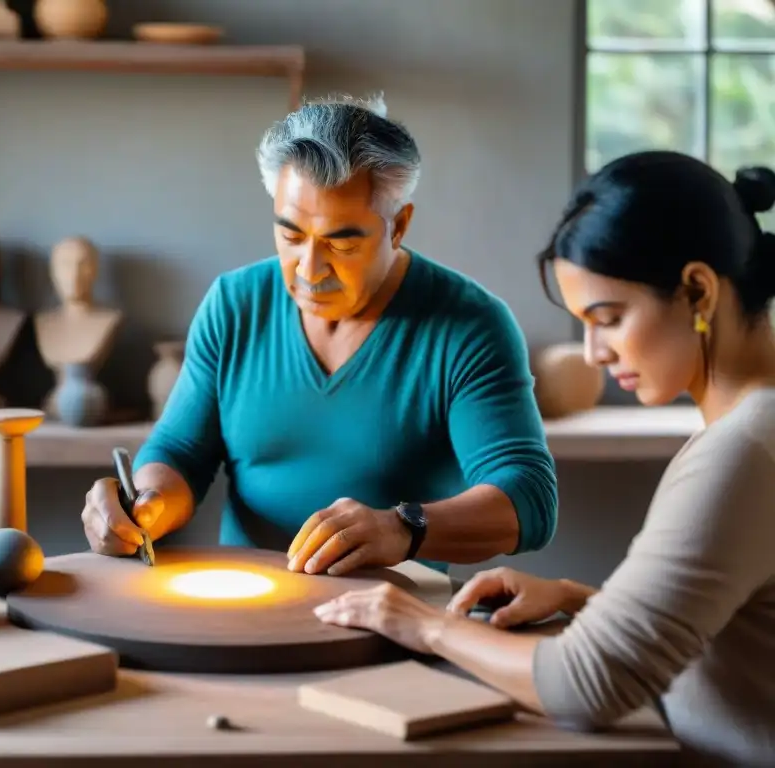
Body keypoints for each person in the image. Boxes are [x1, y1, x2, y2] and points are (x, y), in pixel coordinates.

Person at [313, 150, 775, 765]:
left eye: (608, 319)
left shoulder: (743, 450)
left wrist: (423, 623)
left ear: (697, 290)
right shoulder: (751, 428)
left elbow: (590, 686)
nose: (594, 353)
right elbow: (737, 626)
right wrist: (579, 599)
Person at [82, 94, 558, 576]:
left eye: (341, 241)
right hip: (245, 610)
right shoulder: (234, 304)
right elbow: (181, 451)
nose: (309, 269)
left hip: (393, 622)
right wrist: (145, 503)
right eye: (291, 236)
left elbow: (529, 496)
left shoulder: (470, 326)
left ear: (399, 226)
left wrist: (402, 528)